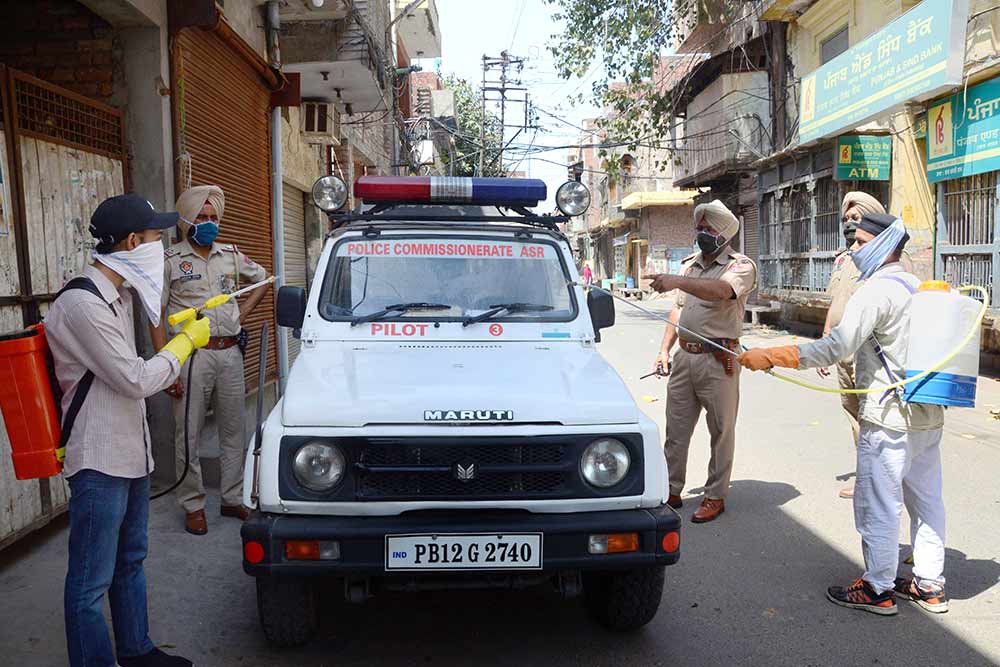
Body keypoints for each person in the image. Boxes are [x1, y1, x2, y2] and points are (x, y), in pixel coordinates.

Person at [738, 212, 948, 616]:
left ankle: (877, 588)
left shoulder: (875, 292)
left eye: (859, 242)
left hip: (889, 419)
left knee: (879, 504)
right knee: (927, 502)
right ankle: (929, 584)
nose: (852, 251)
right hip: (928, 413)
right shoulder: (916, 286)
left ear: (882, 245)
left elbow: (836, 346)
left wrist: (773, 355)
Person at [46, 194, 209, 666]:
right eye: (156, 238)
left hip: (129, 453)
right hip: (98, 459)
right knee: (89, 581)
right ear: (133, 242)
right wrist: (182, 346)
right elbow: (134, 379)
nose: (161, 246)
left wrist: (177, 335)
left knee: (130, 561)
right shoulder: (82, 303)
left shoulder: (116, 296)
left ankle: (136, 650)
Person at [149, 185, 269, 536]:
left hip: (230, 352)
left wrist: (240, 314)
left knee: (236, 431)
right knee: (189, 435)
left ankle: (232, 498)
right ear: (186, 219)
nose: (209, 222)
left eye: (214, 217)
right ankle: (193, 504)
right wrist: (165, 364)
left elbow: (262, 279)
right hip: (191, 356)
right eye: (202, 217)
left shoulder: (231, 255)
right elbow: (155, 314)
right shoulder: (170, 260)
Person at [648, 200, 757, 523]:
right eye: (700, 227)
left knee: (721, 430)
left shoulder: (740, 265)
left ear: (724, 234)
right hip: (685, 358)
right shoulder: (690, 264)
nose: (702, 233)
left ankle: (715, 495)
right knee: (676, 429)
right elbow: (678, 311)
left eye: (709, 228)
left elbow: (722, 292)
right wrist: (664, 350)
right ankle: (671, 488)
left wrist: (678, 281)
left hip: (718, 359)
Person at [821, 191, 885, 499]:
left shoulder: (883, 259)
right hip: (842, 351)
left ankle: (876, 481)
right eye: (846, 219)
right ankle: (867, 476)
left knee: (872, 416)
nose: (849, 223)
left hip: (868, 352)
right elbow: (836, 305)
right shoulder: (845, 259)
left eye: (856, 218)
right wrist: (824, 343)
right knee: (853, 412)